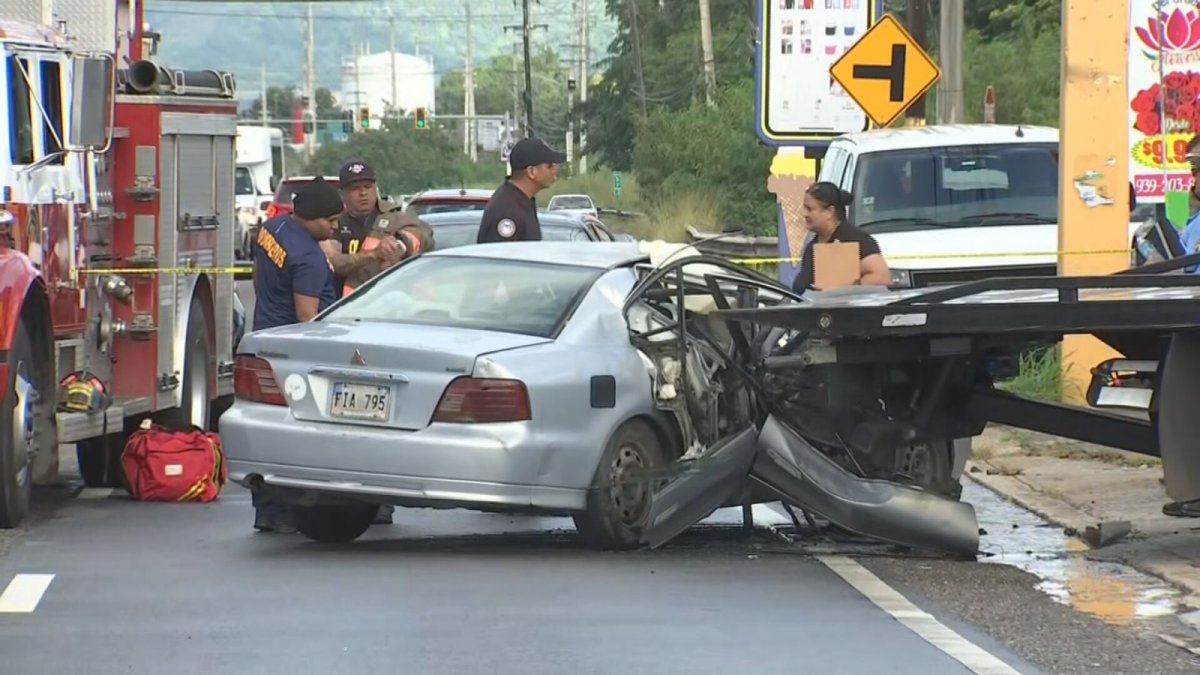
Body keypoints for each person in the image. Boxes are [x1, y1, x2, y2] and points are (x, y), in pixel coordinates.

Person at [249, 176, 344, 533]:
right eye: (330, 221)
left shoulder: (273, 228)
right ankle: (284, 511)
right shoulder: (309, 258)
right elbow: (307, 317)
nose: (334, 228)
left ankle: (265, 509)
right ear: (311, 216)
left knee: (266, 427)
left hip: (262, 335)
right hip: (291, 353)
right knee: (293, 431)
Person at [324, 159, 433, 297]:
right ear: (343, 194)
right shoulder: (335, 223)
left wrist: (399, 247)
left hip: (390, 299)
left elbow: (422, 236)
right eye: (355, 188)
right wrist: (375, 254)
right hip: (344, 304)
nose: (363, 193)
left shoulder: (397, 216)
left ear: (375, 188)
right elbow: (335, 263)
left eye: (367, 186)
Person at [790, 181, 891, 295]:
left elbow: (881, 276)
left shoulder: (856, 240)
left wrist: (842, 290)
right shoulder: (812, 247)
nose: (805, 214)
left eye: (810, 209)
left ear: (829, 212)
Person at [477, 137, 566, 243]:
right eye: (549, 165)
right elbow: (502, 257)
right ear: (531, 172)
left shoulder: (519, 202)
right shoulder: (506, 211)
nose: (555, 170)